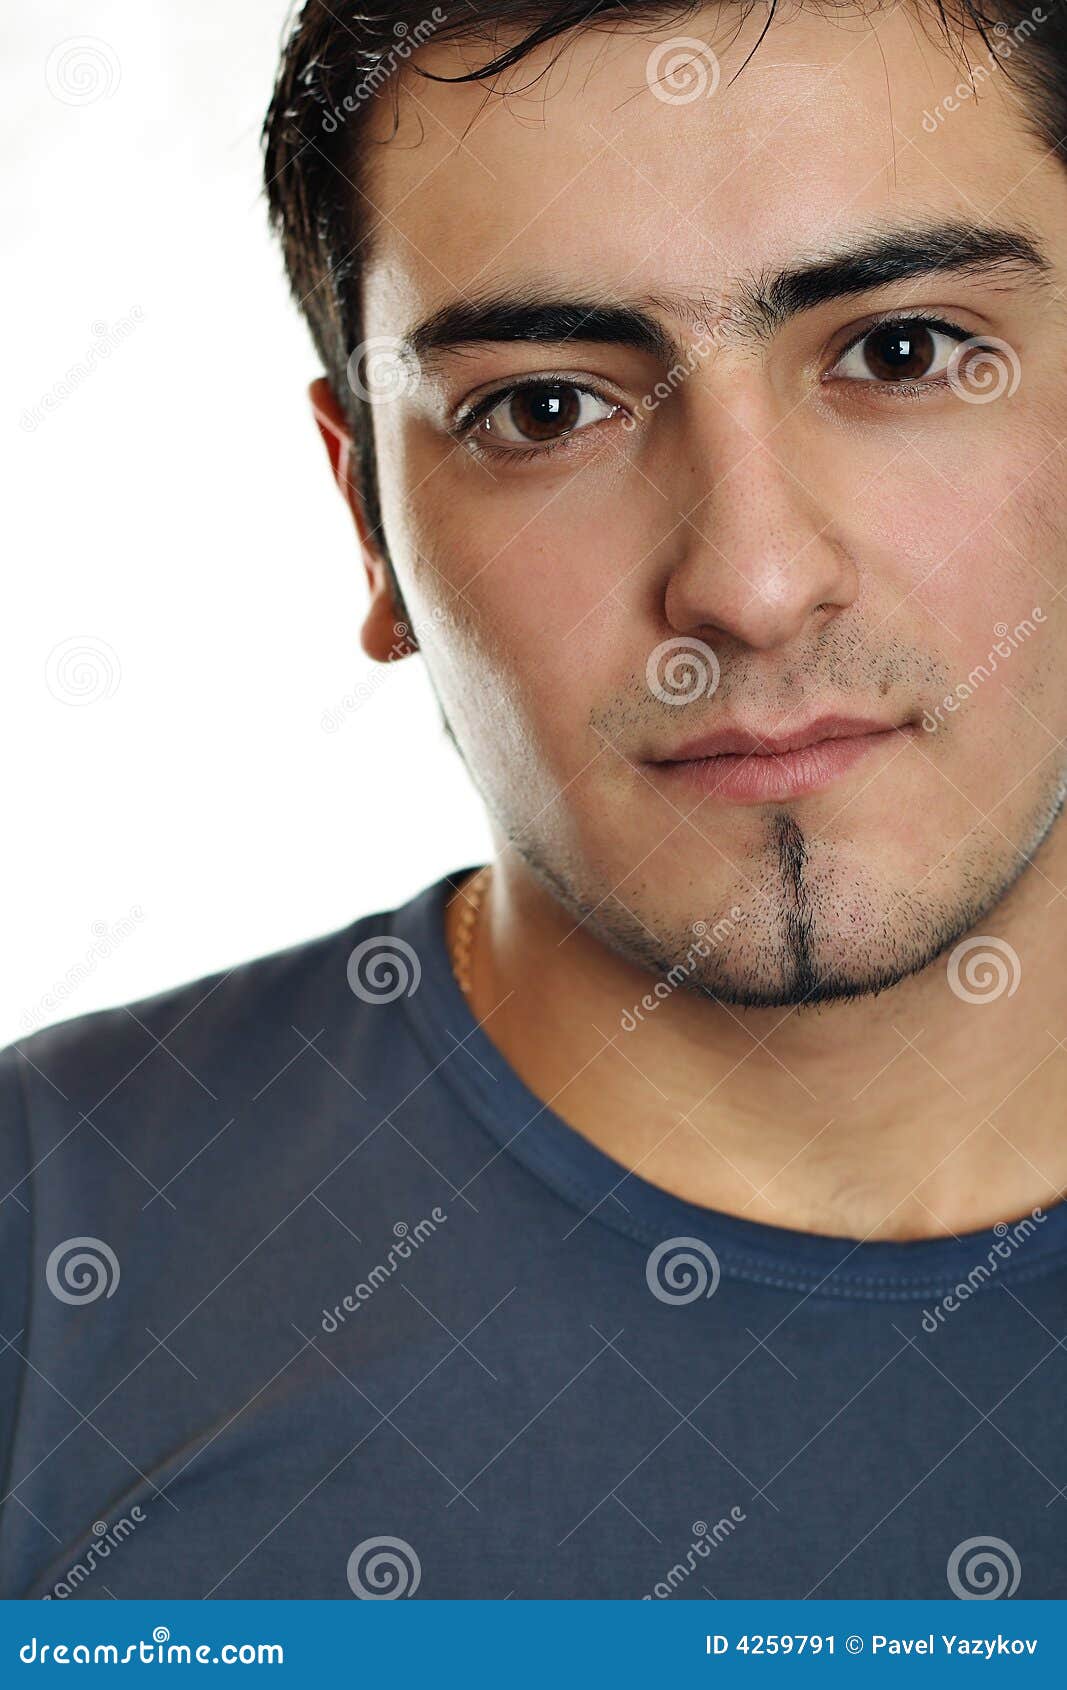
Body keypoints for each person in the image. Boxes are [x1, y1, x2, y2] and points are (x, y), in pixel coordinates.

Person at [3, 0, 1066, 1601]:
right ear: (368, 513)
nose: (755, 585)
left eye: (901, 351)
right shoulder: (40, 1245)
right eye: (544, 407)